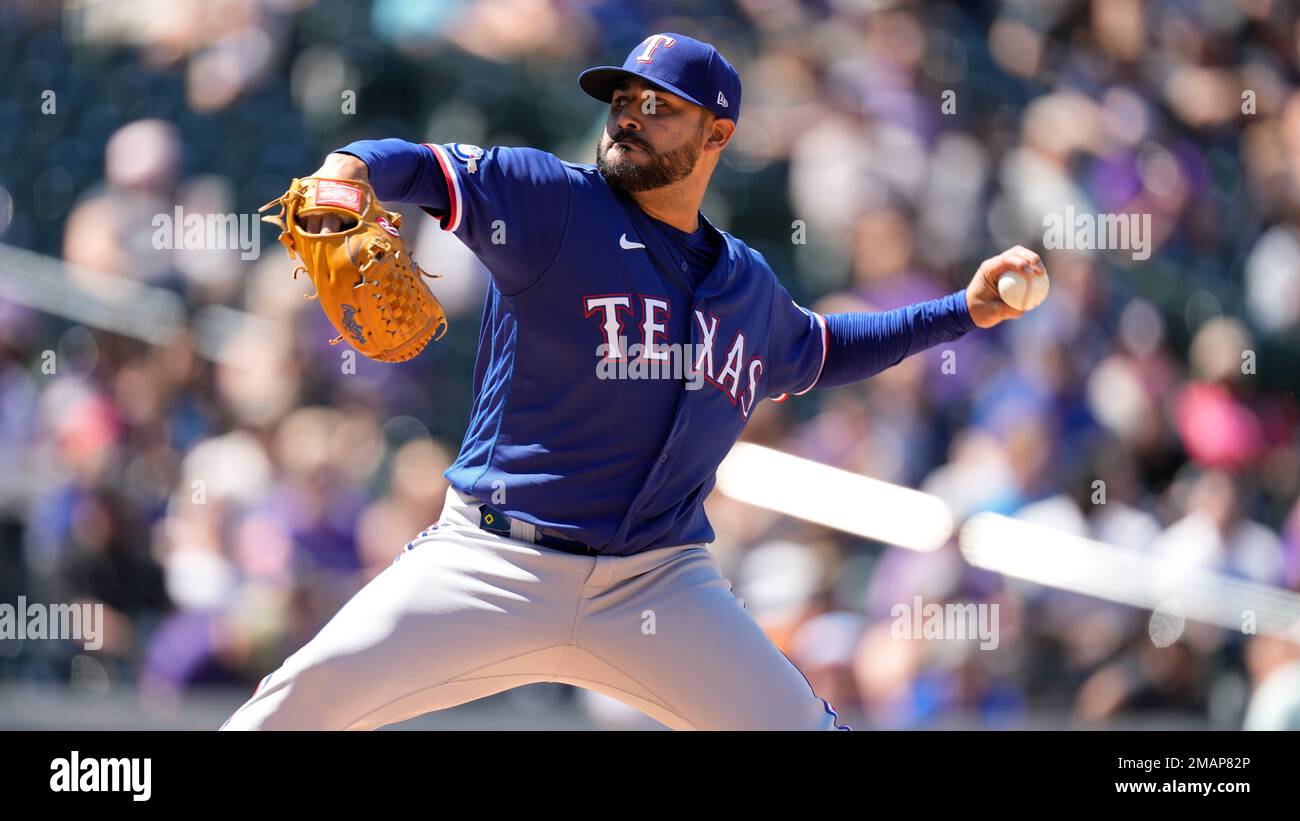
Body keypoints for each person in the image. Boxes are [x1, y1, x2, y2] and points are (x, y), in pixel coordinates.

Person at [220, 32, 1044, 731]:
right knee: (293, 707)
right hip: (494, 560)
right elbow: (417, 165)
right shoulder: (552, 200)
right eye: (622, 100)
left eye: (658, 106)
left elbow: (828, 349)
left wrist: (961, 312)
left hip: (660, 582)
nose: (628, 116)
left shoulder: (748, 286)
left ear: (717, 133)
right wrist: (348, 166)